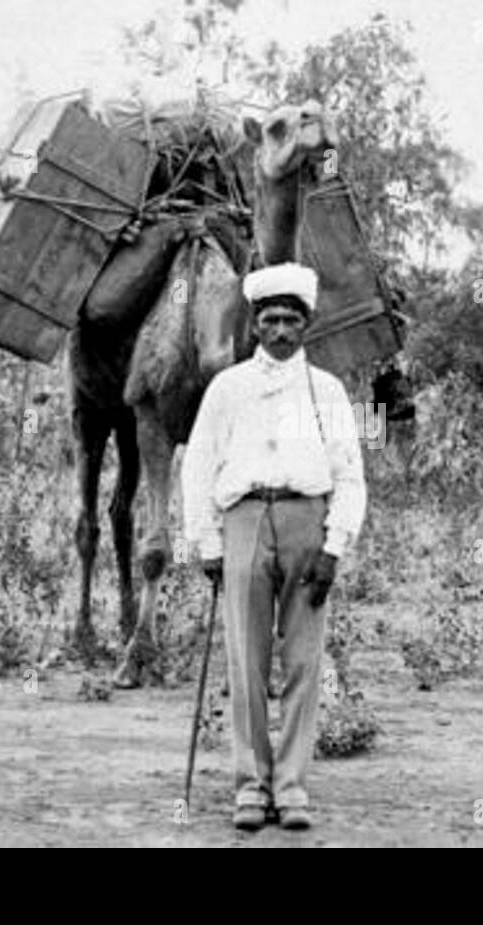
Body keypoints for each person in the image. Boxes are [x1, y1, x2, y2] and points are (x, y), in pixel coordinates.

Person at [181, 261, 366, 832]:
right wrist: (206, 540)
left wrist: (335, 547)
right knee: (246, 659)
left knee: (304, 663)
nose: (281, 330)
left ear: (306, 326)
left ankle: (291, 787)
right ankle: (250, 786)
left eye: (291, 319)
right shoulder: (227, 387)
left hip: (306, 521)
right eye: (270, 319)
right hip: (242, 521)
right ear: (255, 325)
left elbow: (351, 475)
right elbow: (198, 465)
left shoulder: (327, 390)